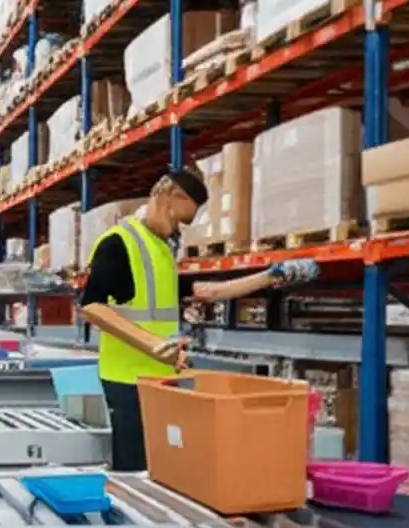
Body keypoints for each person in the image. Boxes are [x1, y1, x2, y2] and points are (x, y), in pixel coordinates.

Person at [79, 166, 291, 472]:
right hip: (127, 383)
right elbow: (91, 307)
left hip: (162, 379)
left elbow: (207, 291)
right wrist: (152, 344)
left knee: (161, 467)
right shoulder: (118, 243)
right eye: (180, 219)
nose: (179, 229)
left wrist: (269, 277)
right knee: (135, 471)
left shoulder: (161, 249)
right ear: (169, 197)